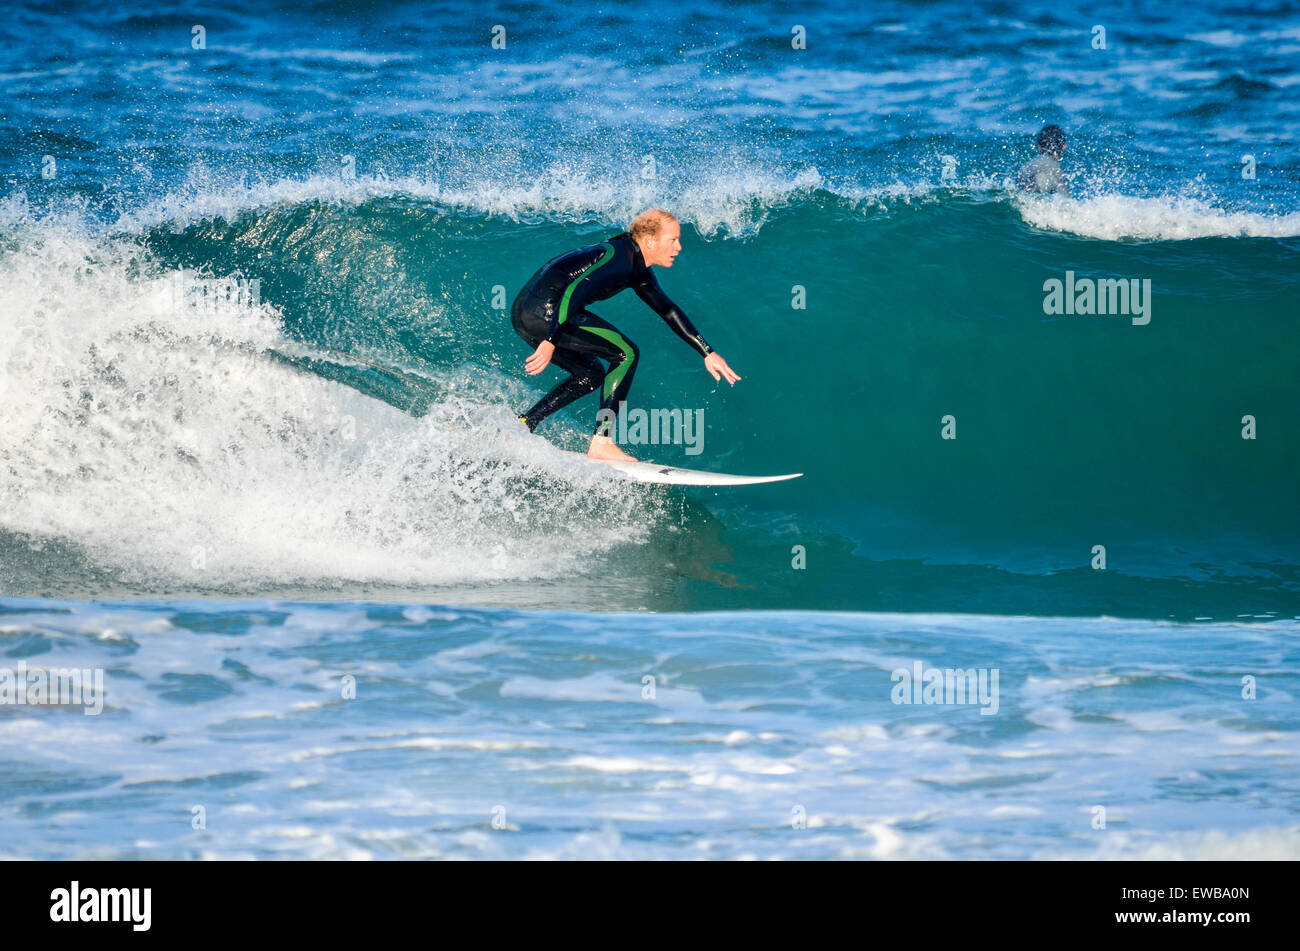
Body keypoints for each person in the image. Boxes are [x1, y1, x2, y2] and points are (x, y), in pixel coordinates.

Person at [510, 209, 740, 461]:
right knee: (626, 354)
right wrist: (551, 340)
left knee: (591, 375)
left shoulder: (634, 264)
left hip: (526, 313)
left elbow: (668, 310)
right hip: (547, 313)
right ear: (650, 240)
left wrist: (707, 352)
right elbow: (572, 292)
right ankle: (601, 442)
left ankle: (524, 424)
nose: (679, 247)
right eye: (672, 240)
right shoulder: (619, 259)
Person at [1017, 124, 1071, 196]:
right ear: (1064, 146)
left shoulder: (1026, 167)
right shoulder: (1056, 169)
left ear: (1039, 147)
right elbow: (1066, 200)